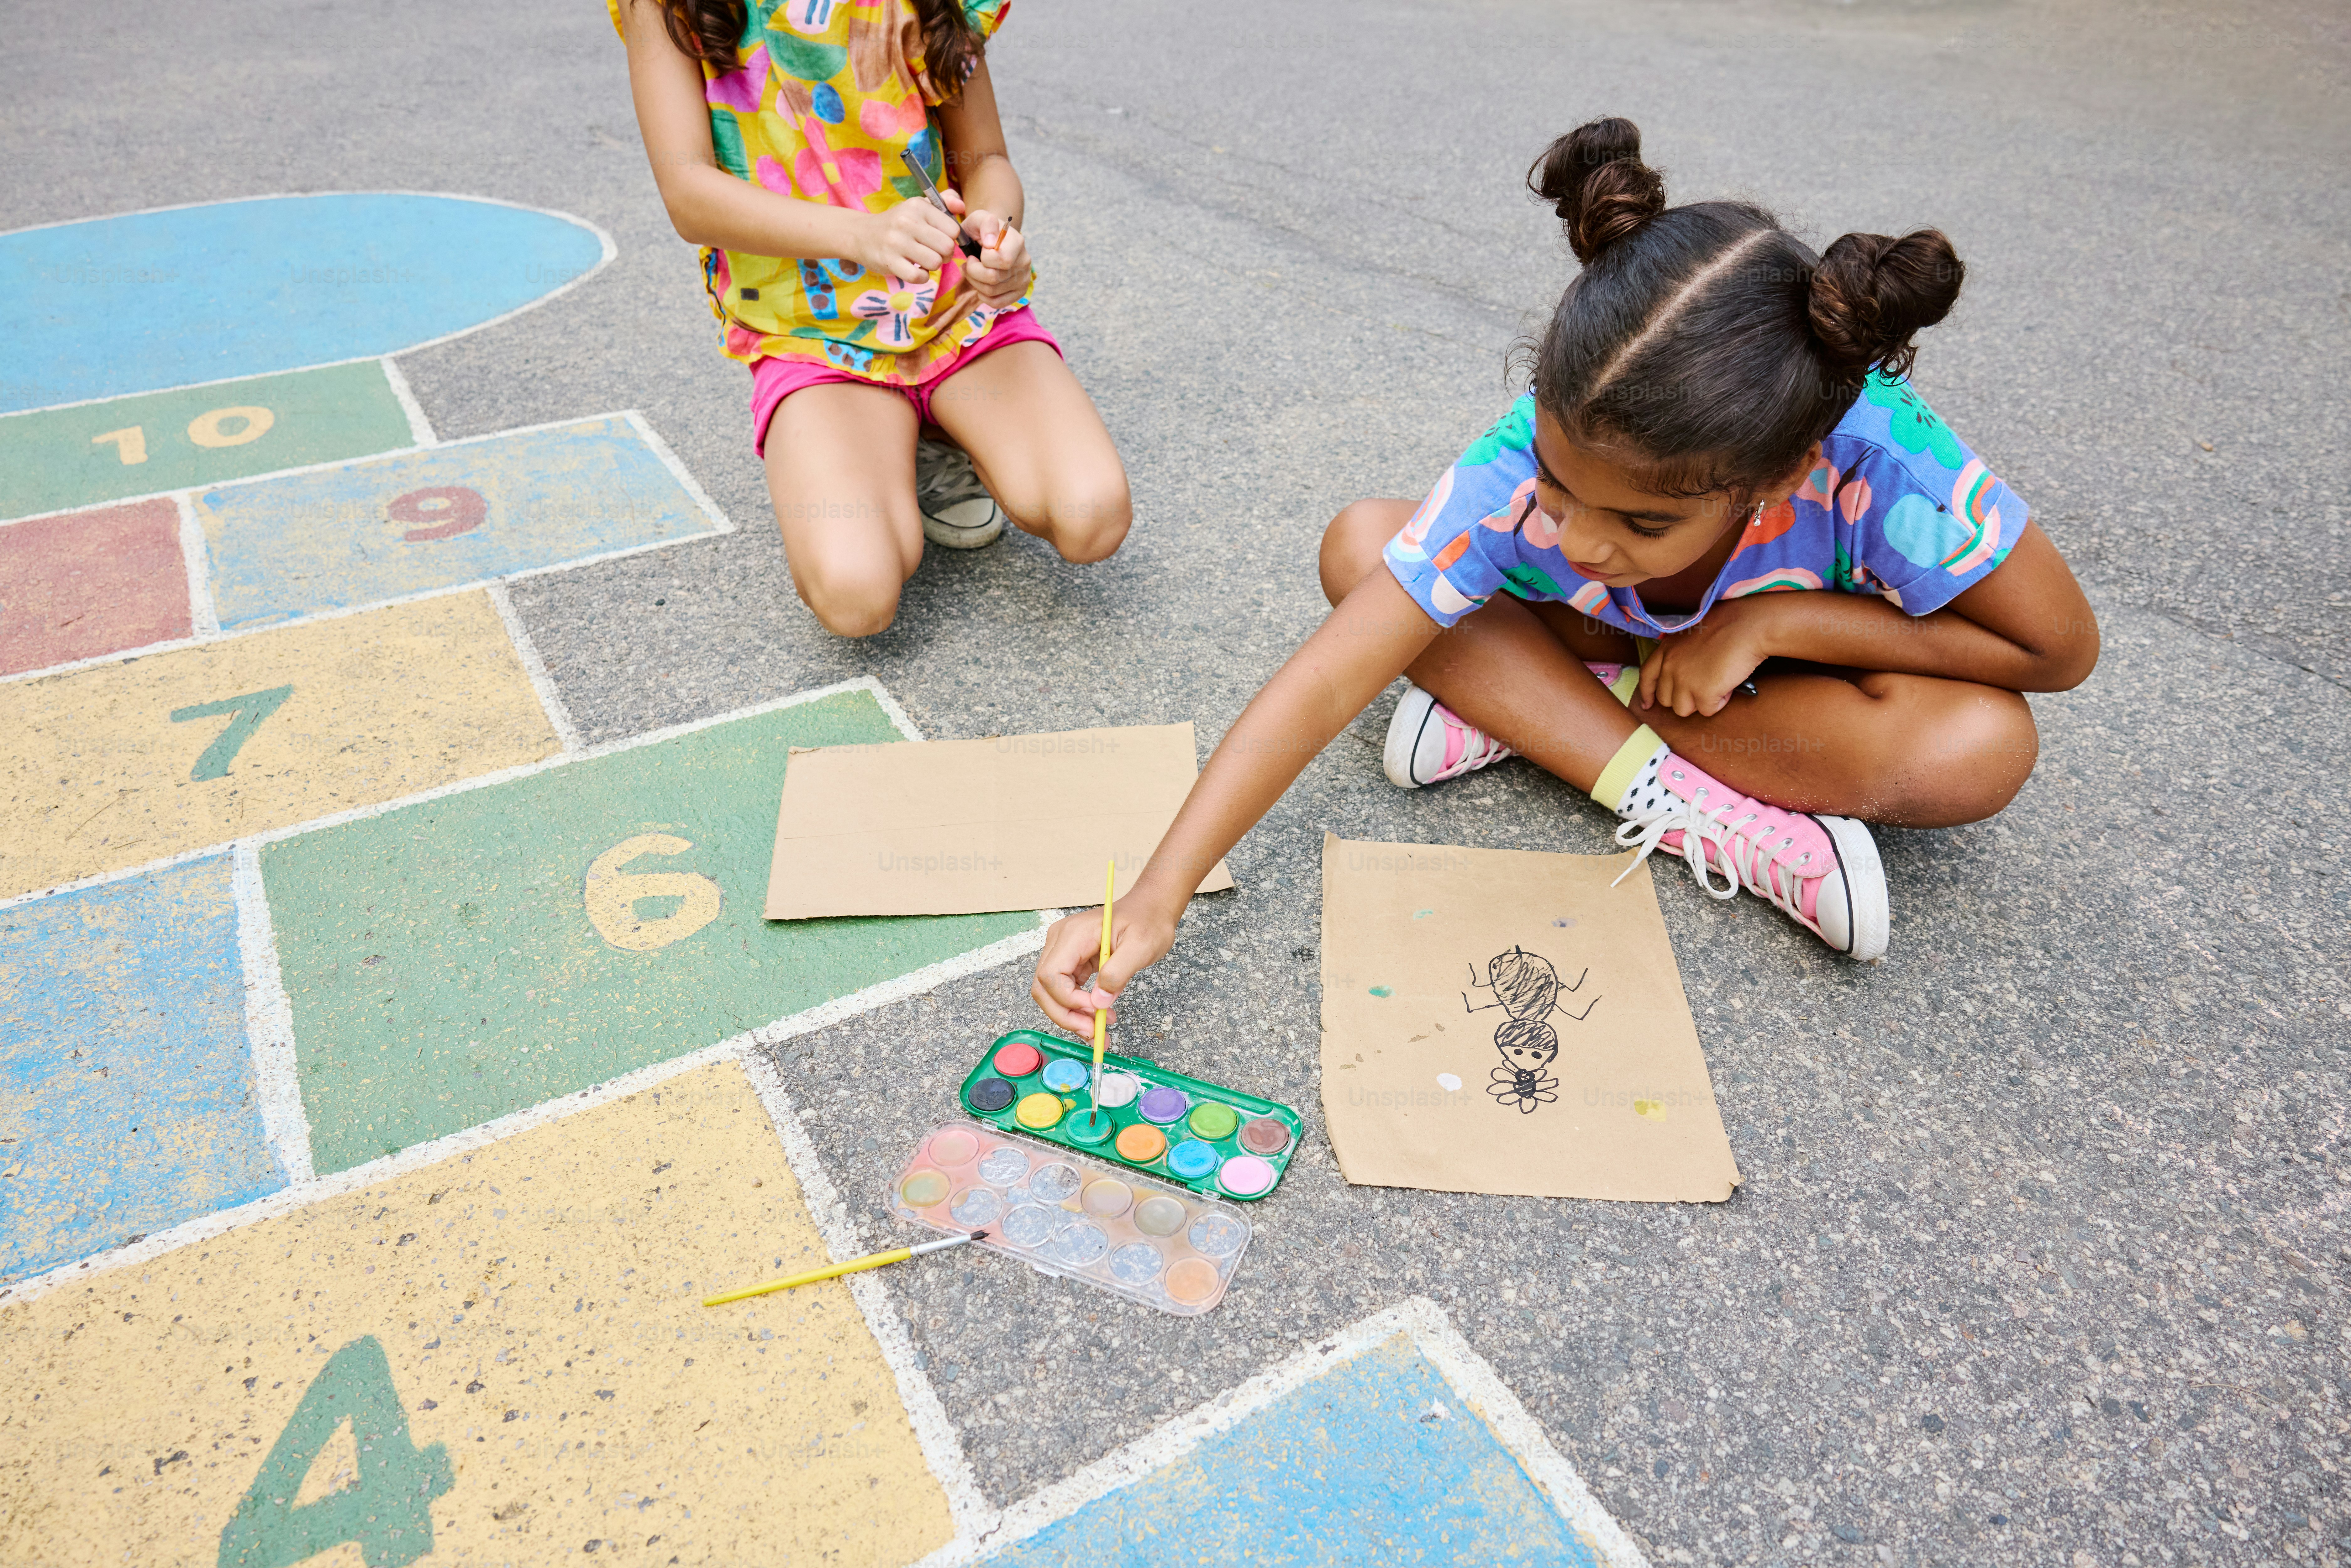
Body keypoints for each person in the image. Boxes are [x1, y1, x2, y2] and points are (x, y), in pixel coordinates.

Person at [1033, 117, 2098, 1032]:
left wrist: (1780, 623)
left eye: (1641, 518)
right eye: (1557, 478)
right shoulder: (1528, 466)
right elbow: (1322, 683)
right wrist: (1159, 889)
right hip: (1618, 651)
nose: (1583, 539)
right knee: (1365, 548)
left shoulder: (1885, 456)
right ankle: (1689, 808)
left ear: (1777, 476)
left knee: (1981, 748)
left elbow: (2054, 651)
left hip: (1770, 687)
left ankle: (1528, 712)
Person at [615, 0, 1130, 636]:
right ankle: (896, 443)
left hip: (954, 311)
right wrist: (861, 235)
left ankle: (944, 430)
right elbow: (687, 192)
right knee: (856, 596)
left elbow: (987, 159)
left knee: (1093, 516)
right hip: (811, 333)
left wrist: (994, 230)